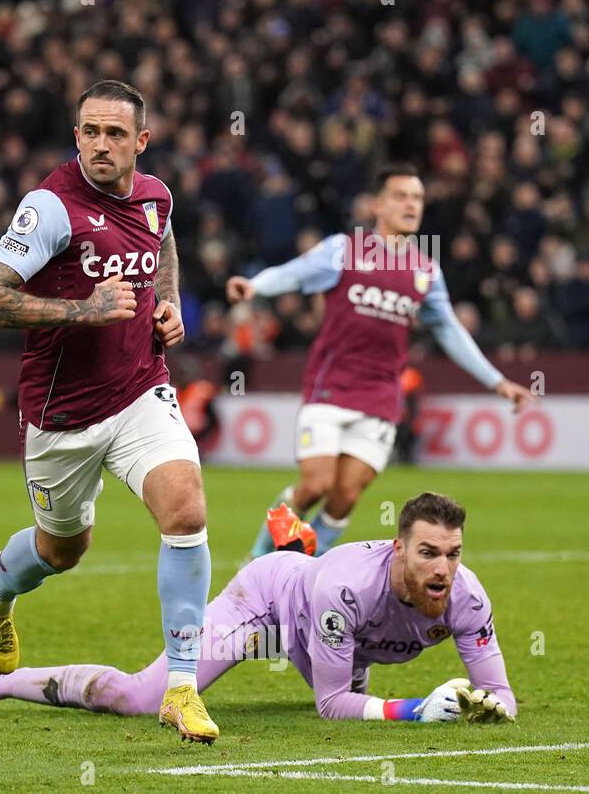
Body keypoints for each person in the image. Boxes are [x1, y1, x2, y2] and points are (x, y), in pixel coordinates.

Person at [0, 80, 217, 742]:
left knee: (186, 509)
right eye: (89, 132)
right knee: (61, 550)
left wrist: (170, 303)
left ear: (141, 141)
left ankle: (181, 688)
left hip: (141, 390)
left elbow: (161, 241)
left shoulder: (156, 195)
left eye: (113, 133)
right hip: (62, 415)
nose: (100, 144)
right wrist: (83, 310)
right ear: (76, 136)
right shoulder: (50, 209)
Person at [0, 493, 516, 726]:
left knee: (344, 661)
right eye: (429, 553)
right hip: (268, 609)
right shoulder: (347, 591)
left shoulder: (467, 598)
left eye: (454, 554)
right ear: (400, 549)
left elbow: (504, 697)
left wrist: (487, 709)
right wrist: (414, 709)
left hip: (331, 626)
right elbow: (331, 705)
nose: (443, 569)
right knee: (137, 698)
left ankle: (299, 549)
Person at [226, 164, 535, 558]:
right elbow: (295, 273)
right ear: (378, 204)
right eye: (401, 196)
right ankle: (258, 560)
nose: (411, 205)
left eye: (417, 198)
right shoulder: (344, 250)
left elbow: (449, 330)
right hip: (330, 386)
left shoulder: (425, 272)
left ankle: (304, 572)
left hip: (381, 398)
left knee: (345, 497)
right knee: (316, 485)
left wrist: (497, 381)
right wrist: (254, 286)